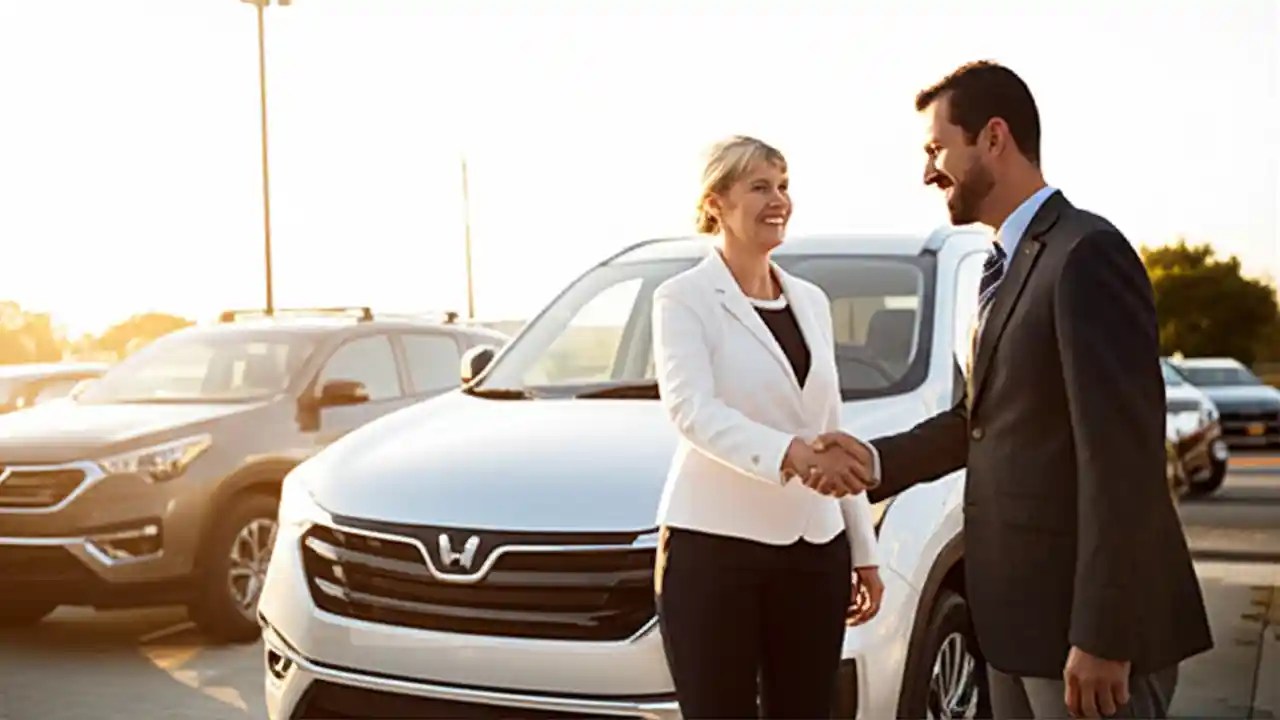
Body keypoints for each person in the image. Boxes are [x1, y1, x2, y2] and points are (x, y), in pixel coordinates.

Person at [813, 61, 1213, 719]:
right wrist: (870, 462)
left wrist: (1103, 632)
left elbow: (1124, 463)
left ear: (993, 137)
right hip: (1013, 626)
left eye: (936, 148)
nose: (927, 172)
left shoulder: (1087, 255)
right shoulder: (999, 266)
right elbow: (982, 421)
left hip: (1080, 635)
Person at [650, 135, 883, 719]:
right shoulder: (682, 298)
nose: (778, 199)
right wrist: (791, 454)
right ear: (716, 201)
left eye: (783, 185)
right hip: (714, 553)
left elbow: (830, 425)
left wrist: (864, 550)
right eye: (760, 187)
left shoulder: (812, 300)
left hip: (815, 552)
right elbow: (690, 409)